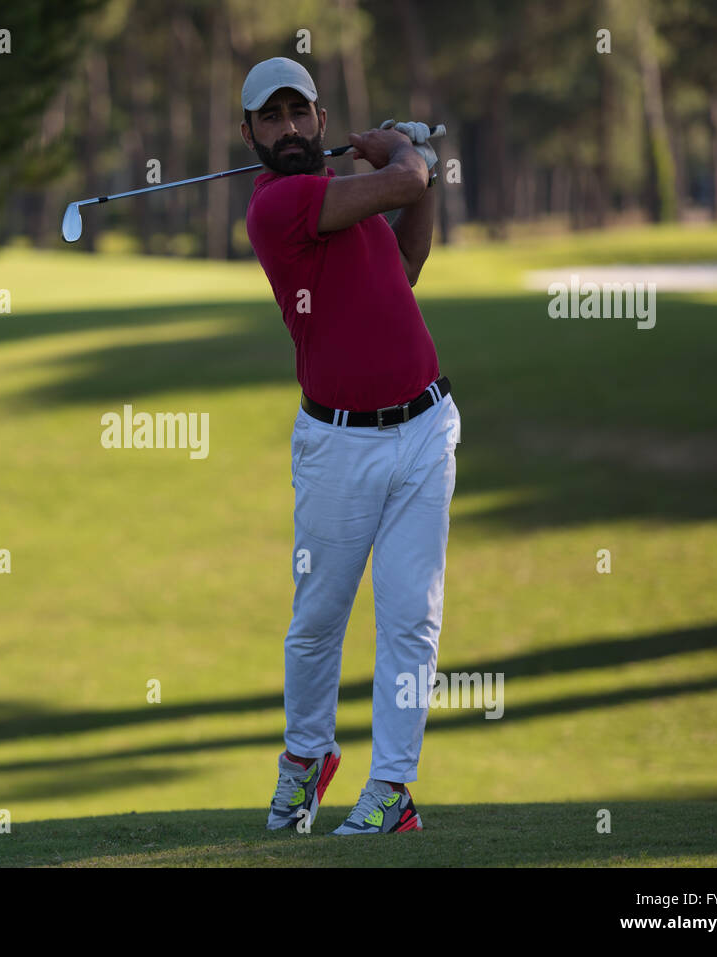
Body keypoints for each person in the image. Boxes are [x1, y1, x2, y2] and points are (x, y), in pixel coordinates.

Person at [240, 57, 461, 835]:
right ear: (252, 135)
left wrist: (413, 171)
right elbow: (405, 183)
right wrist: (407, 152)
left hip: (427, 429)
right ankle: (307, 758)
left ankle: (393, 789)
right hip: (338, 446)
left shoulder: (342, 196)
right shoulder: (281, 207)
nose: (290, 128)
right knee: (318, 619)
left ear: (321, 121)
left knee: (411, 621)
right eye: (272, 118)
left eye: (300, 113)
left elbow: (406, 262)